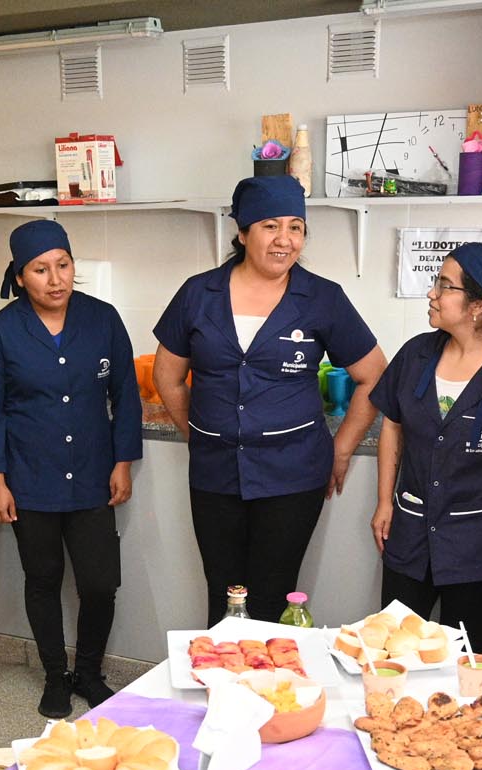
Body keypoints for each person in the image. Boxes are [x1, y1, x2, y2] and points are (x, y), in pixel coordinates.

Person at [153, 176, 387, 625]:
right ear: (241, 233)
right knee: (223, 593)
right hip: (215, 475)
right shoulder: (197, 294)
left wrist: (339, 449)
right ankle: (222, 690)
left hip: (293, 475)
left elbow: (373, 376)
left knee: (273, 595)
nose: (285, 240)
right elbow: (169, 378)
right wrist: (201, 432)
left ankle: (268, 692)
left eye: (296, 227)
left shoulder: (322, 298)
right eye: (270, 226)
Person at [0, 220, 142, 718]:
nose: (55, 279)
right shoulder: (2, 331)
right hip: (30, 478)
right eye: (40, 269)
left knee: (98, 582)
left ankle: (89, 672)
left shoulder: (103, 319)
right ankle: (54, 676)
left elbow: (125, 397)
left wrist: (123, 463)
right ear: (20, 276)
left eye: (63, 265)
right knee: (42, 577)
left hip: (93, 474)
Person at [368, 243, 482, 652]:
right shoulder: (416, 353)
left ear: (479, 305)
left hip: (480, 541)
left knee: (461, 656)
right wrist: (384, 501)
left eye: (444, 286)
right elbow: (391, 428)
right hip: (411, 532)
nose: (432, 294)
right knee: (393, 648)